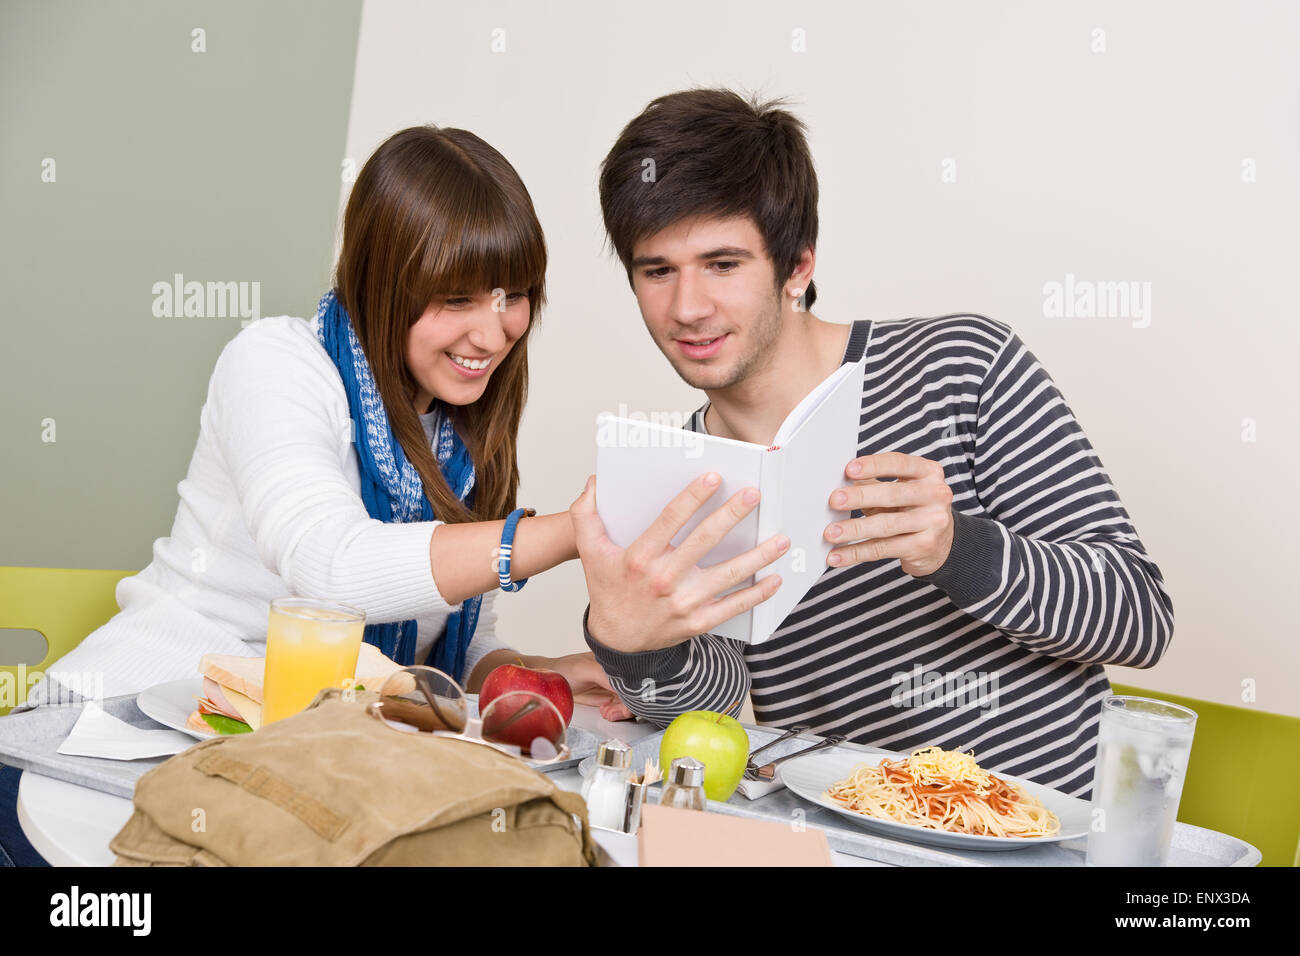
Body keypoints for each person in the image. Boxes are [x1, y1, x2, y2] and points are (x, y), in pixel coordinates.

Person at [1, 125, 616, 864]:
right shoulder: (276, 363)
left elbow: (444, 641)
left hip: (268, 779)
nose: (493, 332)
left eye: (512, 296)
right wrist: (568, 533)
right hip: (109, 745)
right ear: (384, 283)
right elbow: (331, 569)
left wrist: (520, 675)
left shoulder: (463, 432)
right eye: (456, 299)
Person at [569, 89, 1174, 798]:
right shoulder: (686, 477)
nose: (688, 307)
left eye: (723, 264)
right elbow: (714, 708)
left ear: (797, 268)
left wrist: (957, 548)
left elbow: (1140, 619)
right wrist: (630, 642)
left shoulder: (961, 366)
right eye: (657, 271)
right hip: (856, 831)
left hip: (1047, 827)